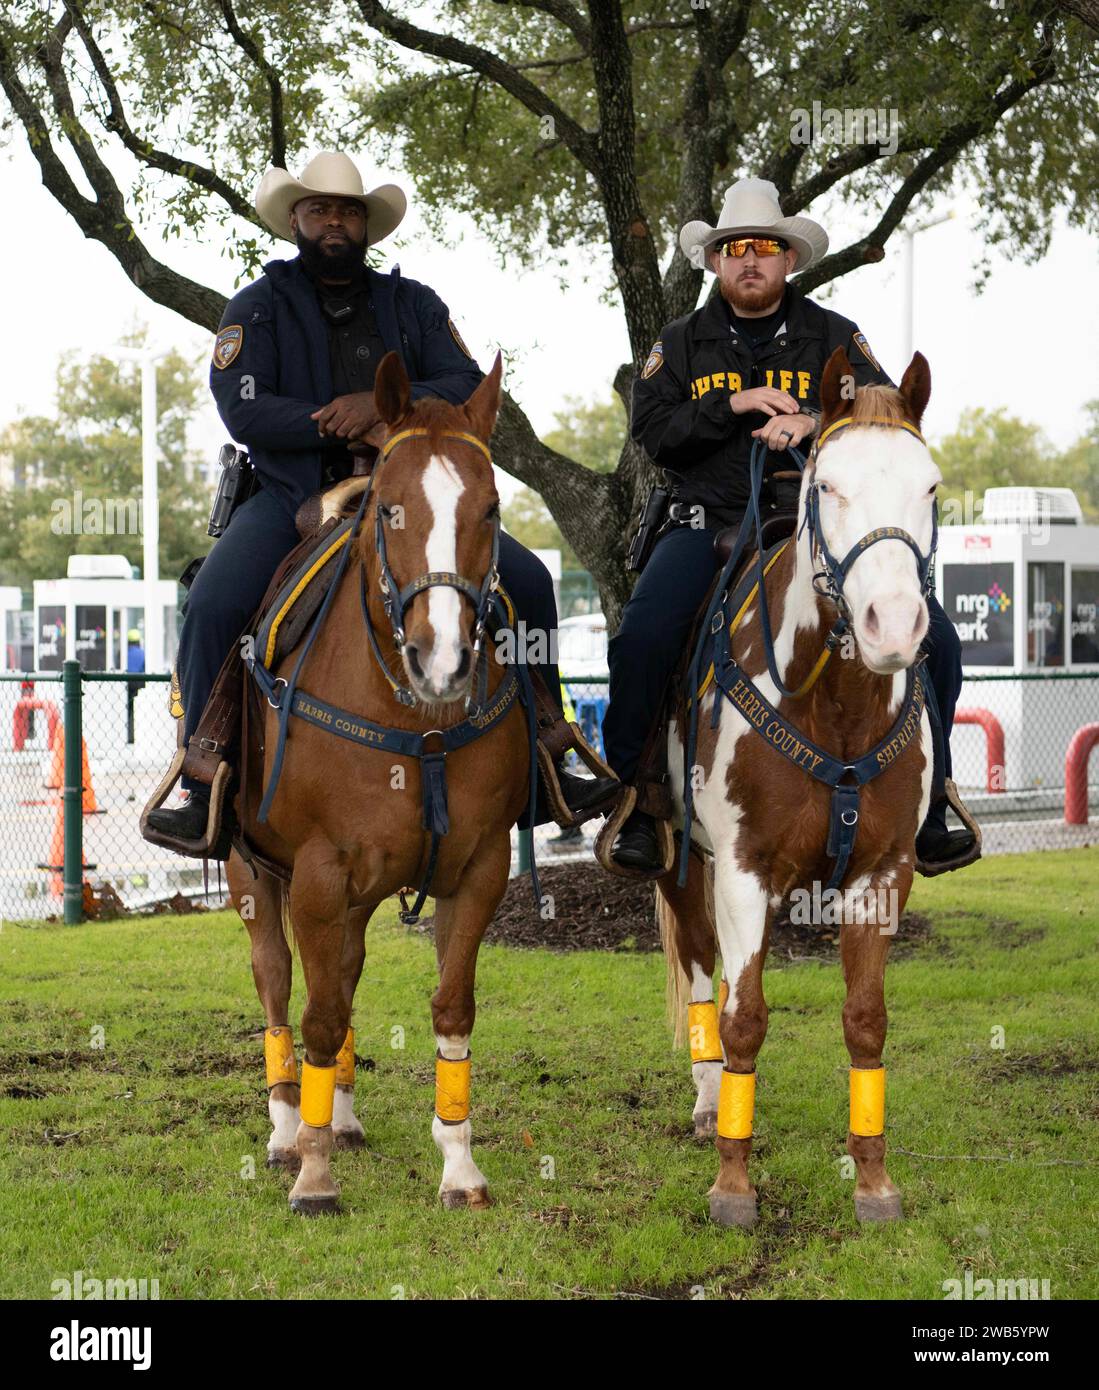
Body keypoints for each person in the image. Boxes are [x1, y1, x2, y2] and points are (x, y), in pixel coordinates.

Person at [147, 151, 613, 847]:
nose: (335, 221)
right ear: (296, 219)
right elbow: (243, 410)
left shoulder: (413, 304)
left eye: (348, 211)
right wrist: (328, 418)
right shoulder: (257, 306)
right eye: (321, 210)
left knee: (528, 580)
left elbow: (464, 380)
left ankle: (547, 746)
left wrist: (383, 406)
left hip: (408, 491)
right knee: (215, 599)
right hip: (292, 495)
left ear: (365, 225)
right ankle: (202, 770)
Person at [602, 177, 976, 874]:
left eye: (765, 249)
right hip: (706, 525)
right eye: (734, 248)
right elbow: (650, 432)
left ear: (788, 261)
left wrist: (815, 421)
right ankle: (637, 798)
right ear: (715, 262)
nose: (750, 260)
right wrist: (733, 405)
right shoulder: (680, 342)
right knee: (643, 637)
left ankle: (933, 802)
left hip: (819, 533)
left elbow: (883, 415)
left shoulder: (835, 338)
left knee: (941, 640)